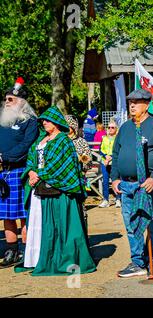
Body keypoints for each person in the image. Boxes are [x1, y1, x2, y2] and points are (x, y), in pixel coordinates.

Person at [17, 105, 96, 275]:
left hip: (57, 190)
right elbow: (31, 158)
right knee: (39, 223)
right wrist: (31, 172)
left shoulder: (64, 140)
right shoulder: (40, 140)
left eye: (47, 120)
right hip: (38, 188)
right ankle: (36, 257)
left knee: (59, 225)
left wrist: (38, 174)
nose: (44, 122)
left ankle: (58, 258)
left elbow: (61, 165)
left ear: (56, 122)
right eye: (43, 120)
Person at [111, 89, 153, 279]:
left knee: (152, 224)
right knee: (131, 225)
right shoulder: (126, 128)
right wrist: (115, 179)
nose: (132, 105)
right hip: (127, 185)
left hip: (147, 185)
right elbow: (116, 154)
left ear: (147, 105)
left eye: (136, 102)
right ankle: (137, 262)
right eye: (130, 102)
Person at [0, 78, 39, 268]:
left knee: (24, 214)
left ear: (22, 102)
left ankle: (26, 251)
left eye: (11, 100)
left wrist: (4, 157)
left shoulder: (30, 122)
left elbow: (26, 146)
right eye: (6, 99)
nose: (7, 102)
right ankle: (11, 250)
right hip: (2, 173)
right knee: (6, 215)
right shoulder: (2, 120)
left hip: (20, 171)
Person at [98, 119, 121, 208]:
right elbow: (101, 149)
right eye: (109, 127)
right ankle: (105, 200)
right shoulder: (104, 138)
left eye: (112, 127)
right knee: (105, 181)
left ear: (116, 129)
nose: (110, 129)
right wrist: (105, 156)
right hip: (105, 162)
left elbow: (118, 149)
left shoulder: (118, 138)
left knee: (116, 181)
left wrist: (110, 156)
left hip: (115, 162)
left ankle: (118, 199)